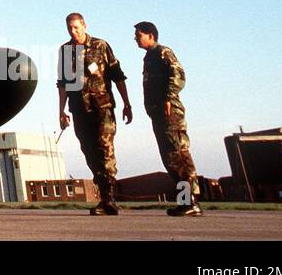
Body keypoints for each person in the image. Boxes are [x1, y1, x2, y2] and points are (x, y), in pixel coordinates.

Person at [57, 12, 132, 215]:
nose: (73, 31)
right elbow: (62, 84)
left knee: (105, 149)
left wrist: (127, 103)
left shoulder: (101, 46)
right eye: (69, 28)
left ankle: (109, 199)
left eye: (76, 27)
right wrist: (61, 111)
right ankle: (103, 197)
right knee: (90, 152)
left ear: (85, 26)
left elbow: (117, 76)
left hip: (102, 108)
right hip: (79, 110)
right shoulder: (64, 51)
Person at [135, 21, 203, 217]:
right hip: (158, 114)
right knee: (170, 159)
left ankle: (190, 202)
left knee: (178, 155)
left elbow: (178, 75)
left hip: (170, 113)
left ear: (151, 35)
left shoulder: (163, 52)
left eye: (139, 35)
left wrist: (168, 97)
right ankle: (185, 202)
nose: (136, 39)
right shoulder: (149, 57)